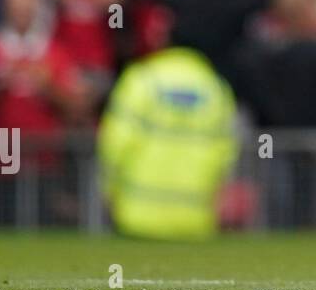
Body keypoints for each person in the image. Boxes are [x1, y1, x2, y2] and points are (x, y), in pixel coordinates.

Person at [97, 46, 238, 240]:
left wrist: (108, 188)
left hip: (137, 216)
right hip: (195, 219)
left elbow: (116, 142)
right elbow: (227, 149)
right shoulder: (214, 85)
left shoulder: (143, 79)